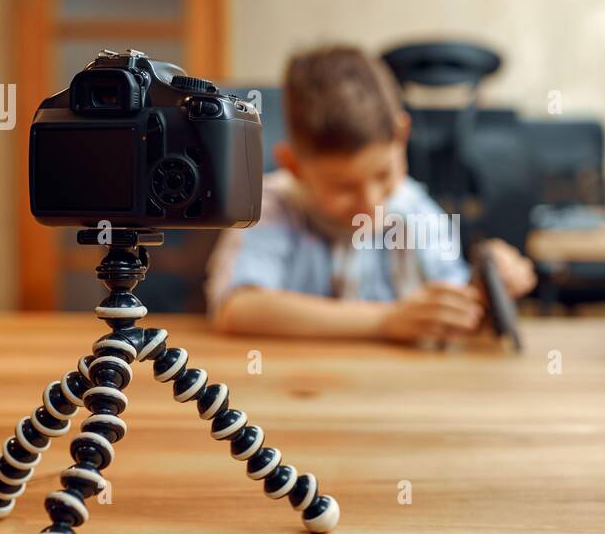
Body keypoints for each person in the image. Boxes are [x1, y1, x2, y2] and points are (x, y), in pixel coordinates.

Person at [207, 45, 536, 343]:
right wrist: (386, 321)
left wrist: (488, 285)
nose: (372, 202)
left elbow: (454, 299)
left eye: (384, 174)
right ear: (294, 166)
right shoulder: (269, 207)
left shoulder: (415, 209)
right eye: (343, 187)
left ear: (403, 136)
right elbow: (238, 309)